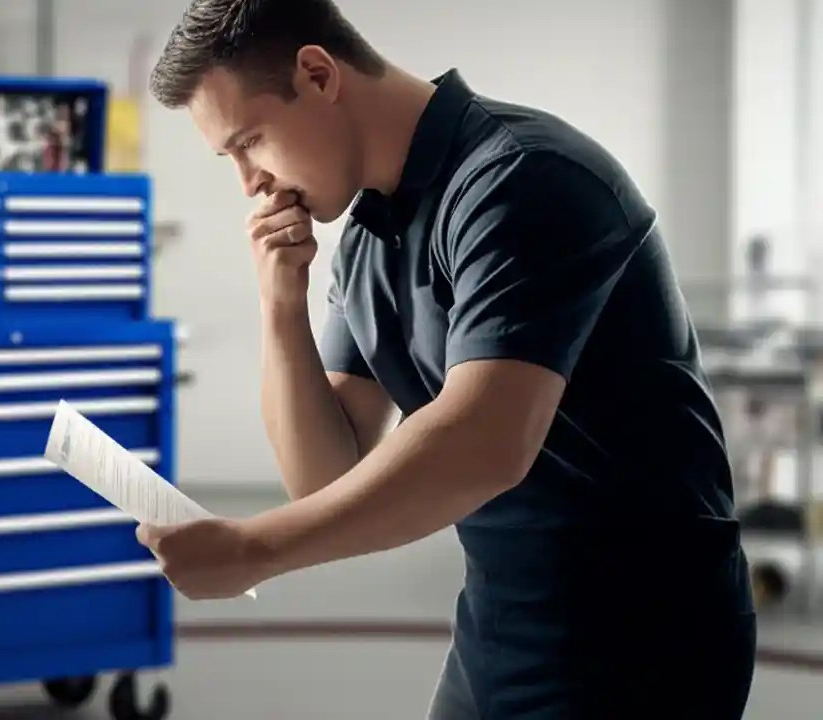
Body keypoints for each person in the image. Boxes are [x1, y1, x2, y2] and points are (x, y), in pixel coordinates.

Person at [134, 1, 758, 718]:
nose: (249, 182)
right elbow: (326, 476)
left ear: (316, 74)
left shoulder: (526, 180)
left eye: (249, 142)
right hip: (501, 622)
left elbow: (485, 443)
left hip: (648, 631)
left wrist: (256, 547)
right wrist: (281, 307)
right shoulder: (370, 235)